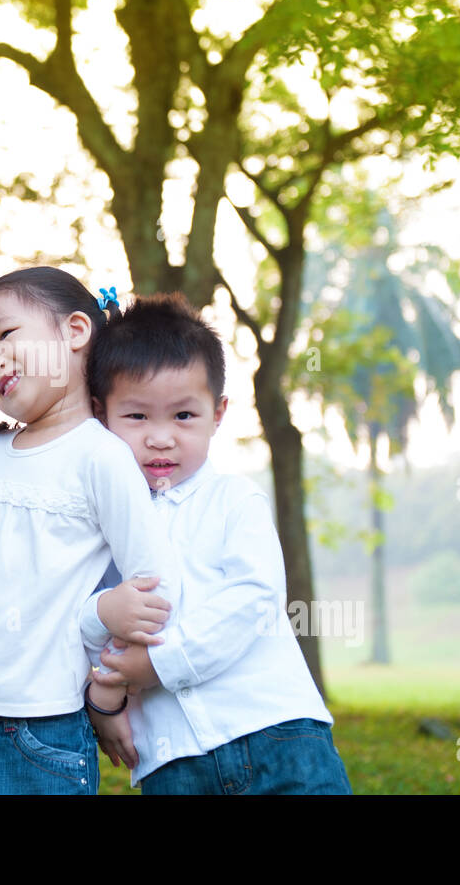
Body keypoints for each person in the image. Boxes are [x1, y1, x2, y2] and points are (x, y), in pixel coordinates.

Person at [0, 268, 178, 795]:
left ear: (76, 331)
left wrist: (106, 667)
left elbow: (155, 585)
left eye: (6, 336)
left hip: (39, 732)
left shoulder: (100, 456)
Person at [80, 293, 352, 794]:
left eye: (184, 416)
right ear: (100, 415)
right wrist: (103, 676)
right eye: (137, 417)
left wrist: (156, 665)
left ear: (218, 412)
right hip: (171, 757)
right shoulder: (97, 528)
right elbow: (77, 619)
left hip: (276, 732)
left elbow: (251, 598)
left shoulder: (234, 500)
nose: (161, 438)